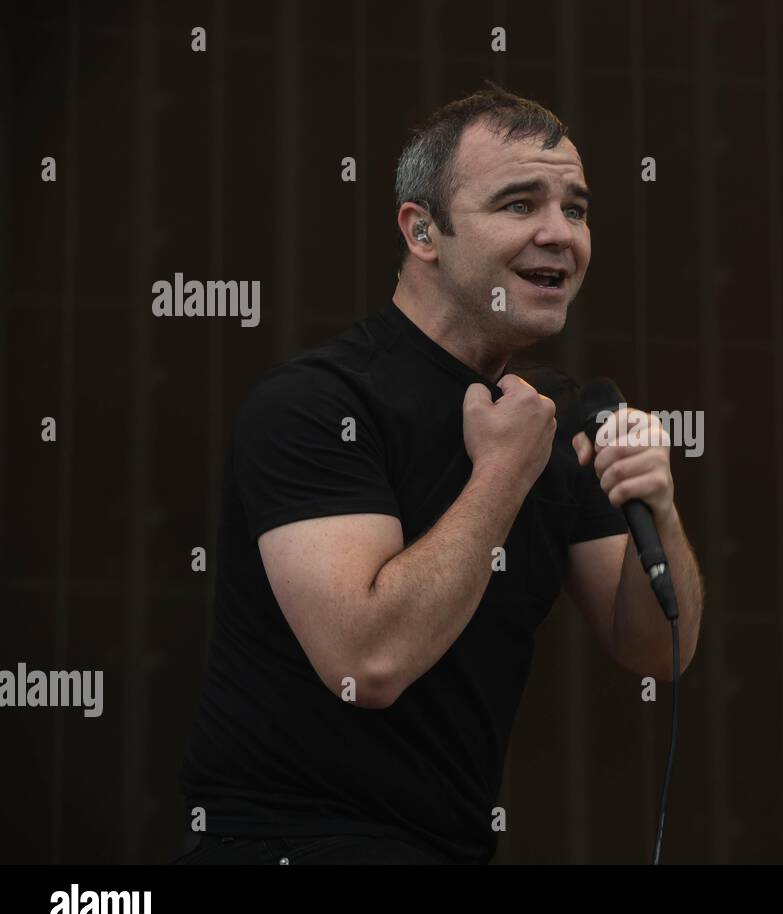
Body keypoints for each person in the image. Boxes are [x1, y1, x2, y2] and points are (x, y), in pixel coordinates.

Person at [174, 82, 704, 865]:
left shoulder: (554, 418)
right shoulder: (316, 404)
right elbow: (367, 662)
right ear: (423, 231)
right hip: (288, 844)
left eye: (578, 209)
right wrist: (499, 476)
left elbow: (659, 648)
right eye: (520, 204)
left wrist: (658, 505)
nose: (562, 234)